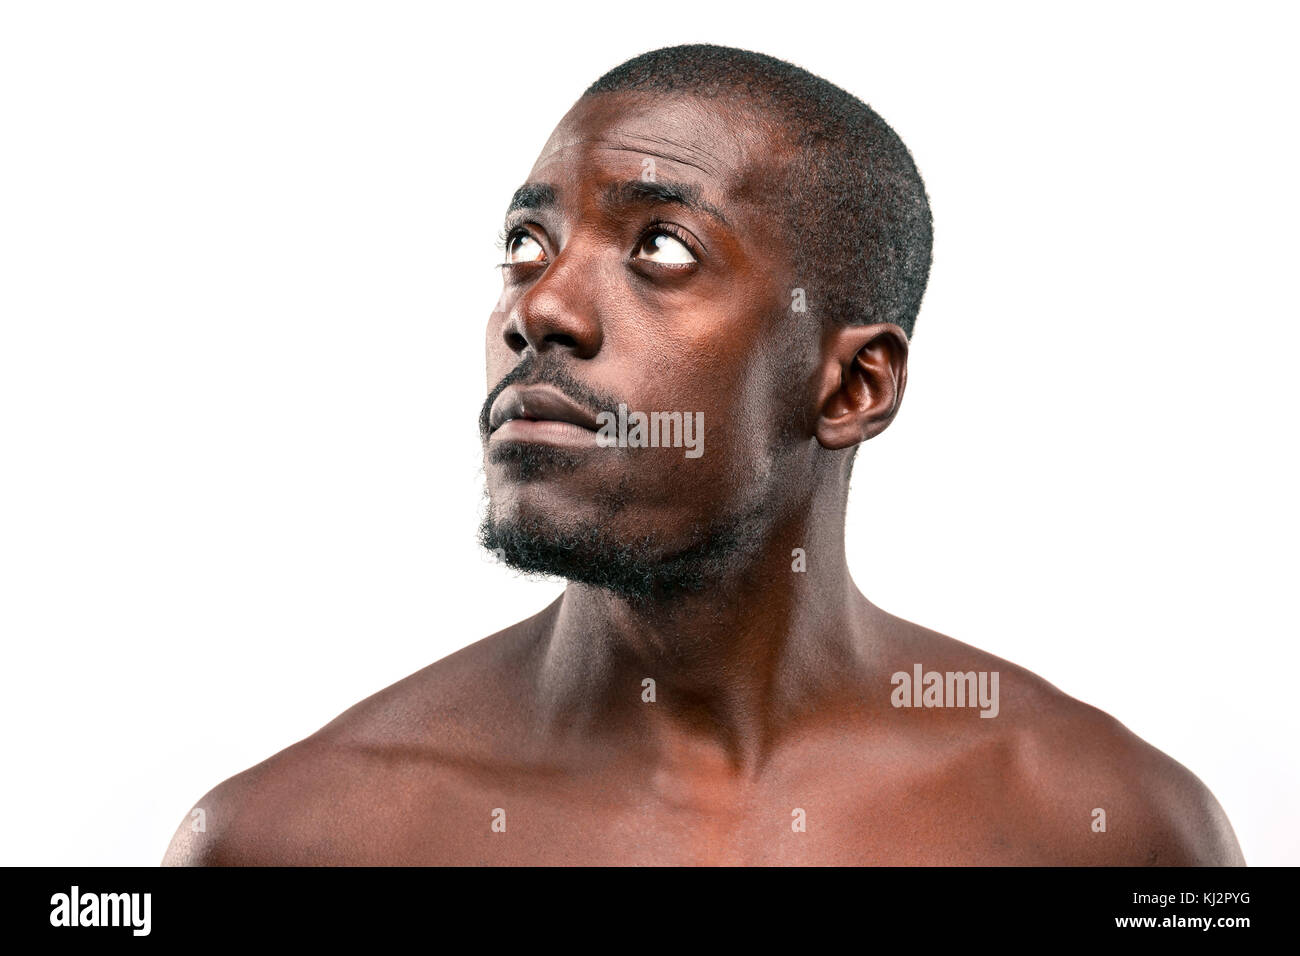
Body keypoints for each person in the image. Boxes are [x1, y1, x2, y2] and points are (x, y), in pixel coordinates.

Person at [164, 44, 1244, 865]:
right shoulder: (293, 840)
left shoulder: (1107, 827)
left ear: (852, 385)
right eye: (523, 245)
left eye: (661, 247)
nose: (538, 306)